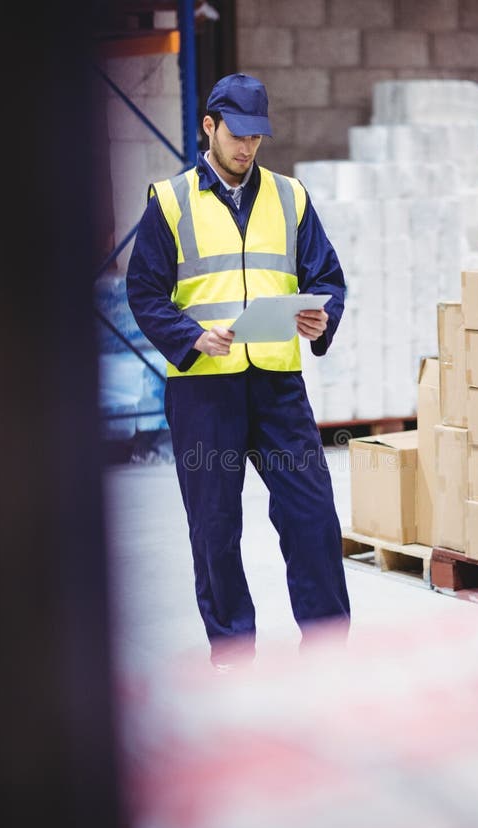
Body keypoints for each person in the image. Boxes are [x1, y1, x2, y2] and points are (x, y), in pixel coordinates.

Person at [126, 72, 351, 669]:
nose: (247, 148)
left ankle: (329, 651)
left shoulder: (290, 196)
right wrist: (191, 336)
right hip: (205, 394)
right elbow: (145, 292)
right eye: (236, 135)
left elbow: (326, 277)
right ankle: (231, 656)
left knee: (313, 519)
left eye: (257, 136)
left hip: (277, 388)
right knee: (216, 529)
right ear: (210, 127)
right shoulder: (171, 202)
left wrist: (320, 318)